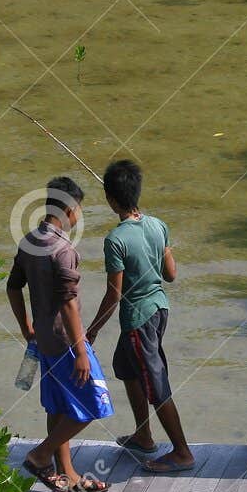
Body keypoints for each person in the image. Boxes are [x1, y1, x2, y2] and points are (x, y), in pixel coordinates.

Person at [86, 159, 196, 474]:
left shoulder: (115, 240)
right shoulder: (158, 225)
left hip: (138, 320)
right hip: (160, 310)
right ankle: (143, 436)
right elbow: (170, 274)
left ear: (111, 200)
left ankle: (182, 451)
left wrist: (92, 330)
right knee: (125, 366)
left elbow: (114, 294)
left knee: (156, 384)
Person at [6, 175, 114, 492]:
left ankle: (67, 474)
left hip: (44, 340)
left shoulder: (30, 241)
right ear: (69, 210)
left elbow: (13, 287)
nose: (79, 215)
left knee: (59, 405)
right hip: (67, 342)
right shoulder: (63, 250)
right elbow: (68, 304)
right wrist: (81, 351)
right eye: (79, 209)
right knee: (96, 403)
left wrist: (26, 328)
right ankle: (40, 456)